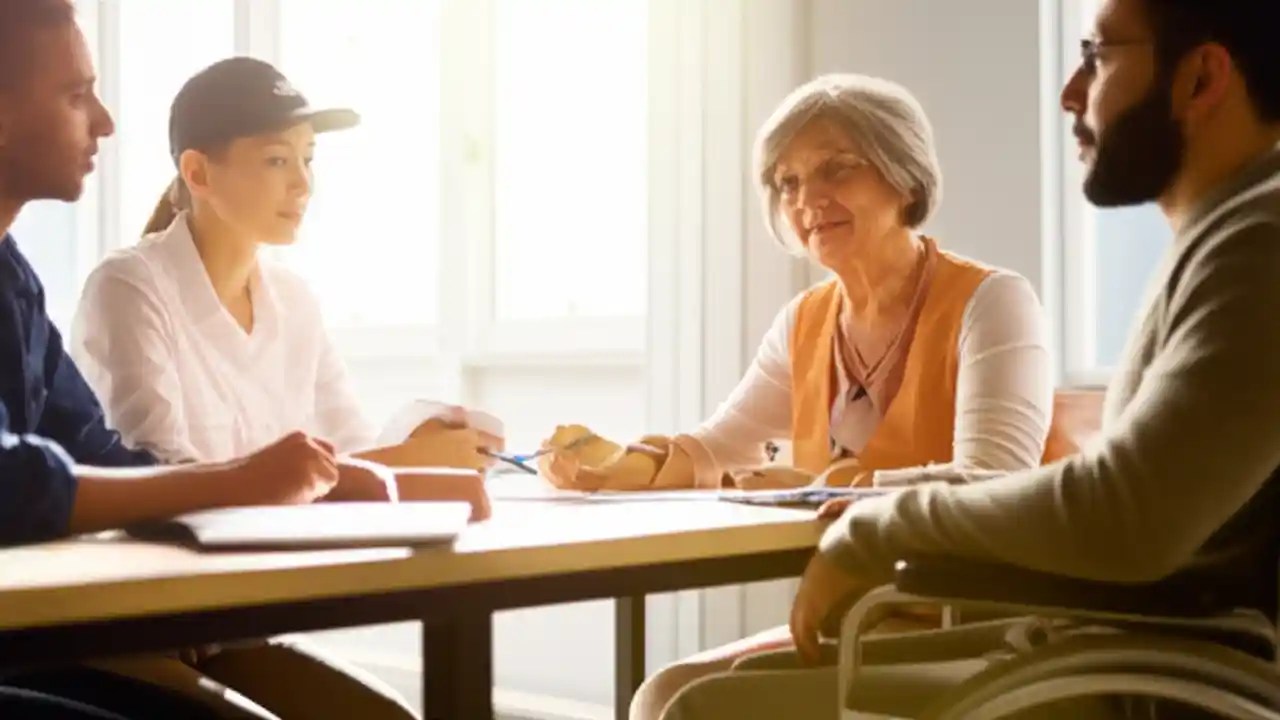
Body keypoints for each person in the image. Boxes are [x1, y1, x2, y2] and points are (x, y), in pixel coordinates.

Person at [662, 0, 1280, 717]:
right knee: (685, 691)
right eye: (790, 183)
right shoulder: (1223, 238)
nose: (1070, 93)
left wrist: (874, 528)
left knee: (702, 709)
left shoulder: (1259, 243)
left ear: (1202, 77)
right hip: (1101, 644)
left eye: (1099, 56)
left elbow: (1125, 515)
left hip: (1157, 676)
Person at [626, 73, 1075, 720]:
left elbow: (994, 479)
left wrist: (821, 485)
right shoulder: (805, 321)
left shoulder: (993, 302)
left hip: (978, 626)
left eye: (837, 169)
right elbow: (719, 446)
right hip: (862, 619)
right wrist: (617, 463)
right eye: (788, 183)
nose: (808, 199)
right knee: (661, 693)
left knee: (693, 706)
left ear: (906, 178)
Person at [0, 1, 372, 717]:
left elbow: (101, 454)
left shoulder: (14, 283)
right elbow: (12, 482)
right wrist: (235, 481)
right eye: (75, 95)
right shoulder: (127, 284)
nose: (105, 121)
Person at [70, 57, 497, 476]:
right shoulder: (129, 289)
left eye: (307, 158)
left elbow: (353, 451)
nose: (302, 183)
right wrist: (405, 463)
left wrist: (415, 436)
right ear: (198, 173)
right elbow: (163, 479)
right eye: (277, 160)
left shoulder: (294, 301)